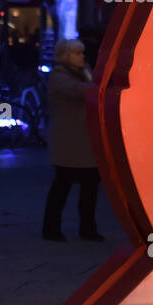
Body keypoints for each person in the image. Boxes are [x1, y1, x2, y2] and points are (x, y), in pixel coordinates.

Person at [42, 39, 103, 242]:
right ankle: (51, 229)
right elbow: (82, 91)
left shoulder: (85, 72)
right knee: (62, 185)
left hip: (85, 141)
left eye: (82, 53)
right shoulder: (59, 76)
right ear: (66, 56)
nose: (82, 56)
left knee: (90, 187)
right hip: (68, 141)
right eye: (77, 53)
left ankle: (88, 228)